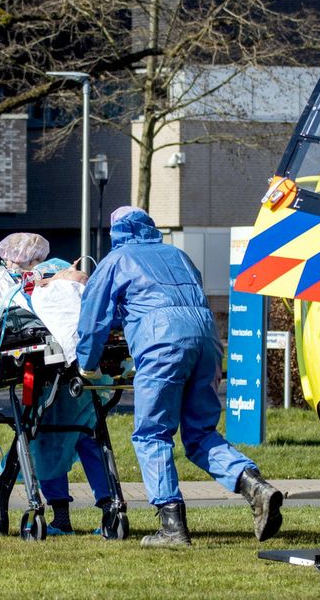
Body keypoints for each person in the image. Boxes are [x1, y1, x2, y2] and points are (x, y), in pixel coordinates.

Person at [76, 206, 283, 548]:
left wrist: (87, 364)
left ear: (116, 233)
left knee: (152, 433)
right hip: (206, 341)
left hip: (162, 343)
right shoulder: (178, 255)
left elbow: (93, 316)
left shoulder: (117, 259)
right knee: (200, 434)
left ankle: (172, 527)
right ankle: (254, 484)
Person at [0, 235, 112, 536]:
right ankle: (110, 509)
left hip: (51, 377)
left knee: (44, 442)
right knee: (90, 439)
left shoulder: (34, 280)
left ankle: (60, 516)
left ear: (22, 260)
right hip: (85, 377)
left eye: (11, 260)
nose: (9, 264)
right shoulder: (66, 270)